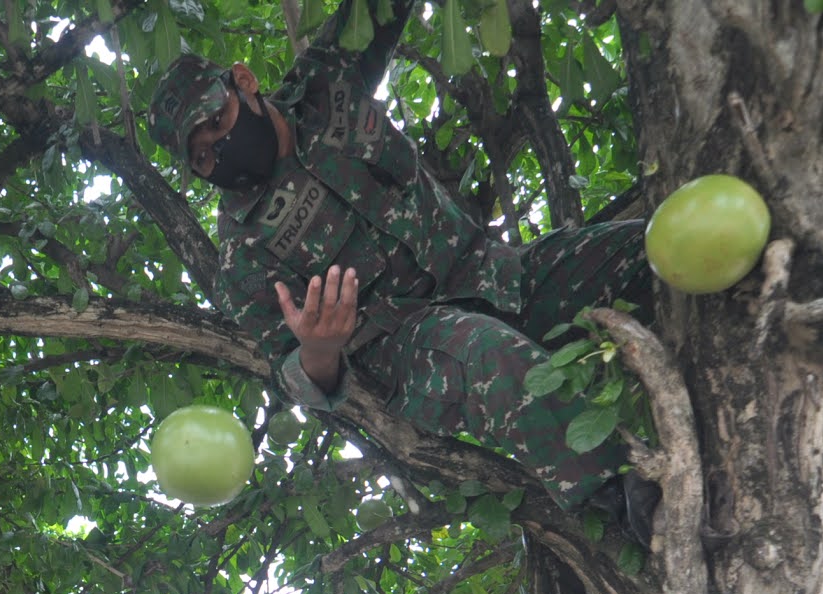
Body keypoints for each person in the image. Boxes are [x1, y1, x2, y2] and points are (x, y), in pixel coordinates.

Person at [146, 2, 659, 539]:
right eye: (202, 157)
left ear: (244, 83)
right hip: (411, 344)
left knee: (641, 248)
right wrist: (320, 349)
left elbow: (378, 9)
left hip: (494, 273)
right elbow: (295, 374)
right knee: (494, 359)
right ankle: (635, 498)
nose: (220, 151)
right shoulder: (243, 251)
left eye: (216, 123)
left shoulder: (325, 81)